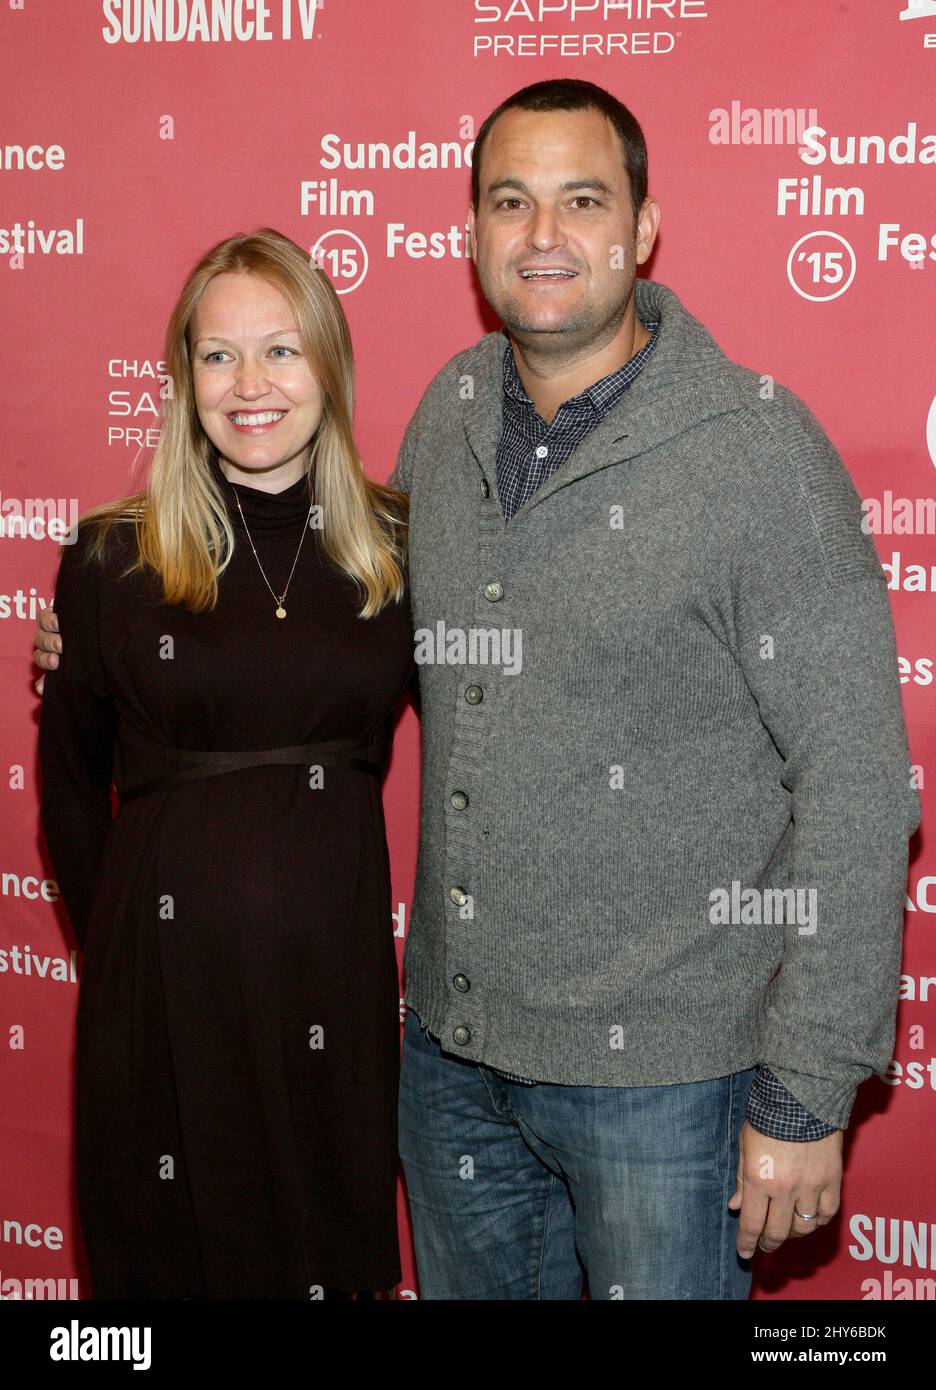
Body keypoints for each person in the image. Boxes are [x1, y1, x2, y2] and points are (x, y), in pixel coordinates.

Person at [385, 79, 920, 1299]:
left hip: (667, 1096)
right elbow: (345, 614)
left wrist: (803, 1089)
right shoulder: (448, 412)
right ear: (471, 233)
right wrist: (131, 619)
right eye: (510, 202)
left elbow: (855, 784)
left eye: (583, 199)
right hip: (451, 1066)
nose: (543, 237)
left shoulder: (756, 452)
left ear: (644, 227)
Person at [34, 228, 415, 1299]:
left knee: (319, 1254)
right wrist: (128, 950)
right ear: (183, 375)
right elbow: (68, 791)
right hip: (159, 994)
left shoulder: (399, 547)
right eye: (218, 355)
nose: (250, 385)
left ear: (329, 366)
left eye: (282, 351)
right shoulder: (114, 555)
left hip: (329, 988)